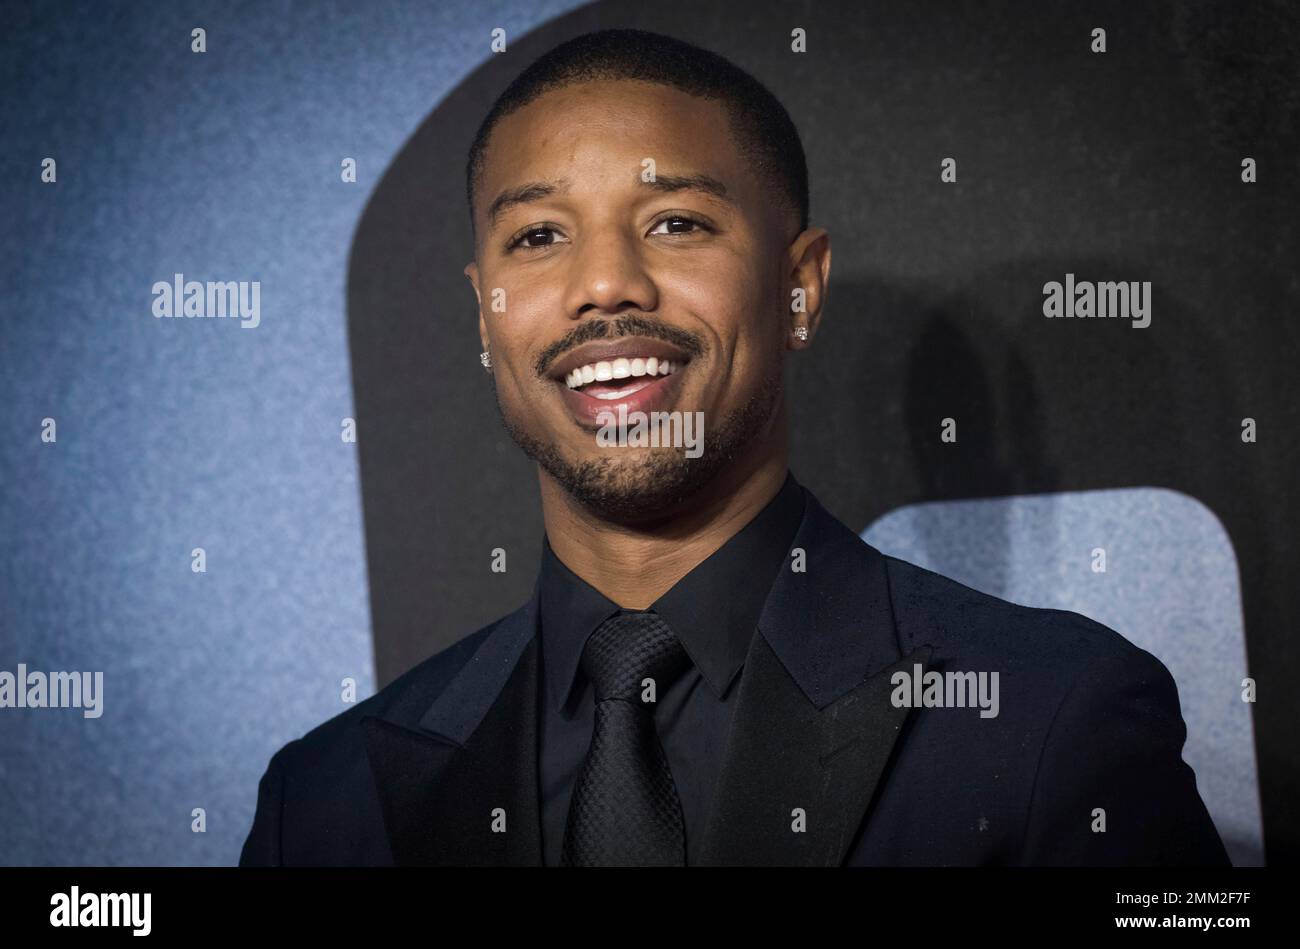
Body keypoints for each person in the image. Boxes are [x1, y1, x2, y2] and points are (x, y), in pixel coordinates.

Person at [240, 28, 1229, 866]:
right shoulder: (327, 798)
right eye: (538, 236)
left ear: (799, 285)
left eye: (674, 221)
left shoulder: (1049, 721)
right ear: (485, 313)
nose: (605, 286)